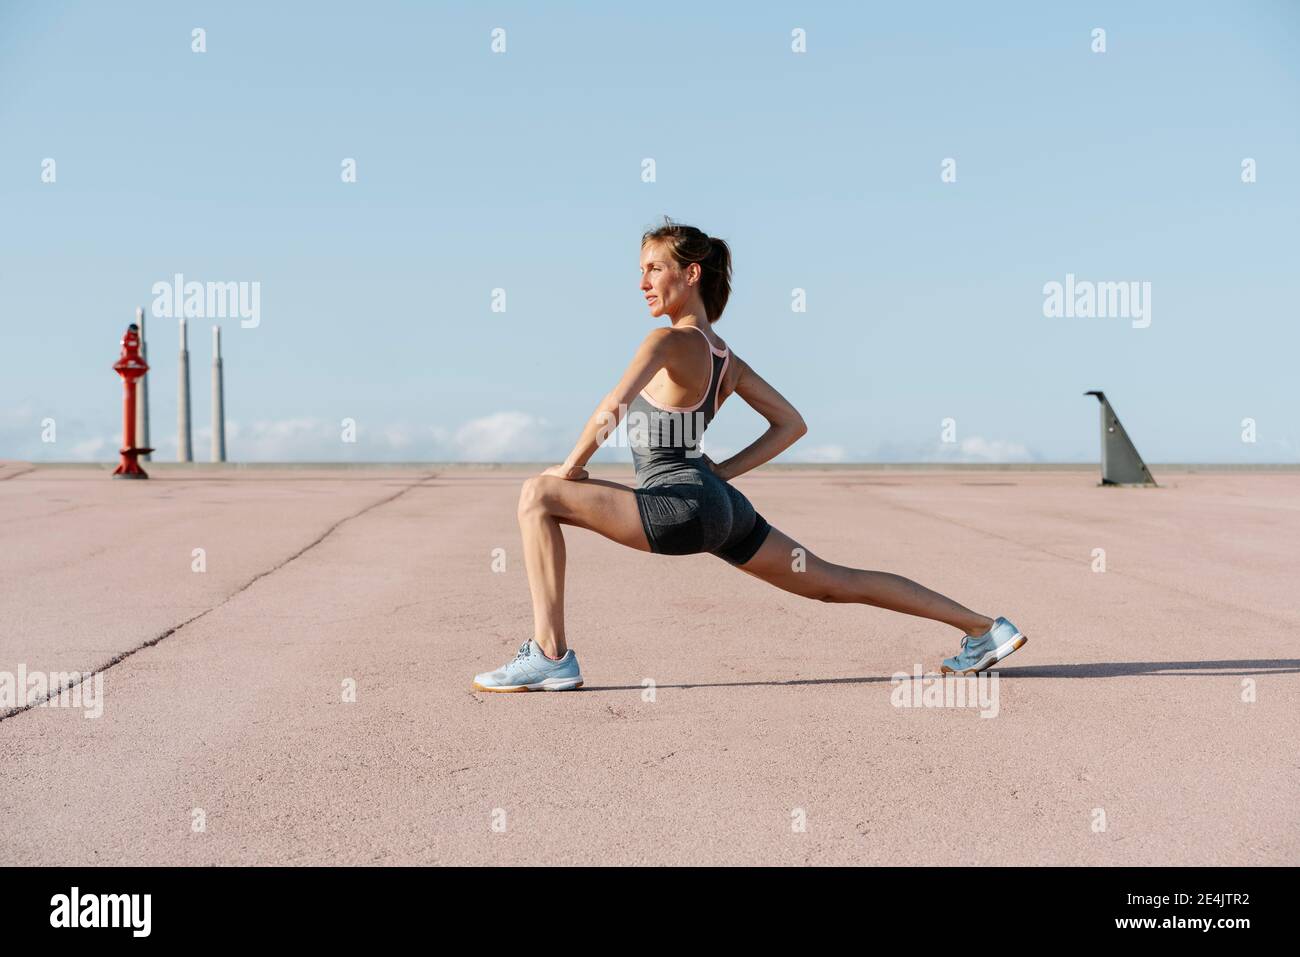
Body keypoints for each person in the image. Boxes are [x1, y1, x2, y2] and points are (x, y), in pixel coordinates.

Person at [472, 218, 1026, 692]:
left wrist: (569, 468)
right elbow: (792, 424)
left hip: (679, 508)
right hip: (721, 507)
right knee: (834, 580)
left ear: (691, 274)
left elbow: (611, 408)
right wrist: (721, 472)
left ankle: (550, 656)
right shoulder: (726, 360)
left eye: (654, 268)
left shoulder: (666, 343)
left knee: (537, 496)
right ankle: (983, 628)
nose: (642, 282)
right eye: (640, 270)